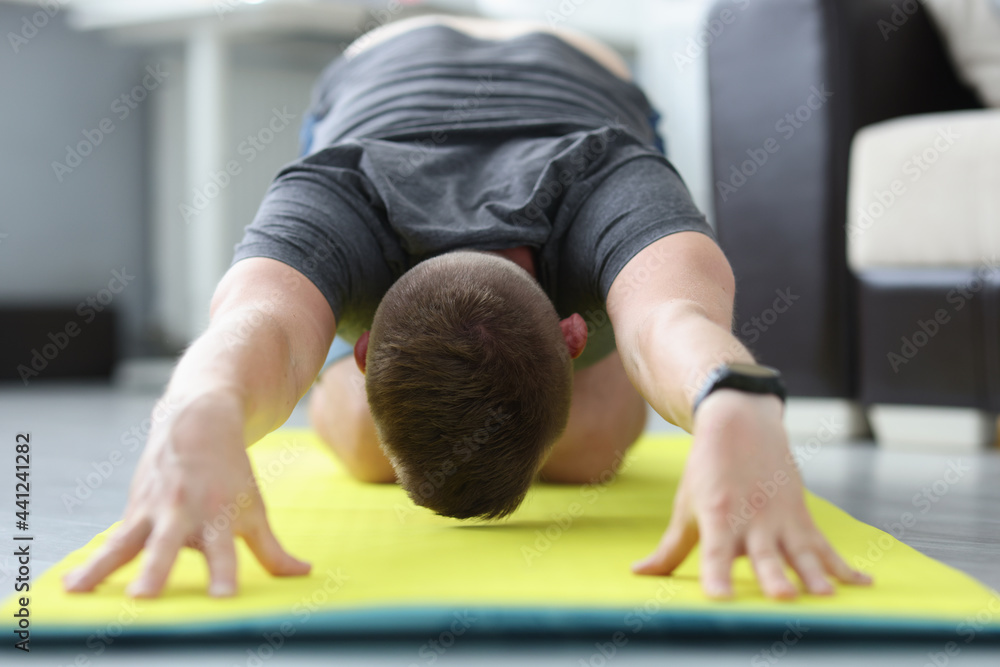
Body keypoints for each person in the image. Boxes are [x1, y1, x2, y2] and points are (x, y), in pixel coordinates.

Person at [62, 15, 872, 601]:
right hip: (383, 65)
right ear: (571, 333)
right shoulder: (335, 192)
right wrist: (199, 412)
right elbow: (255, 331)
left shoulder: (610, 177)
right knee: (416, 443)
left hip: (576, 70)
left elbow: (673, 325)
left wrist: (733, 401)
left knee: (581, 450)